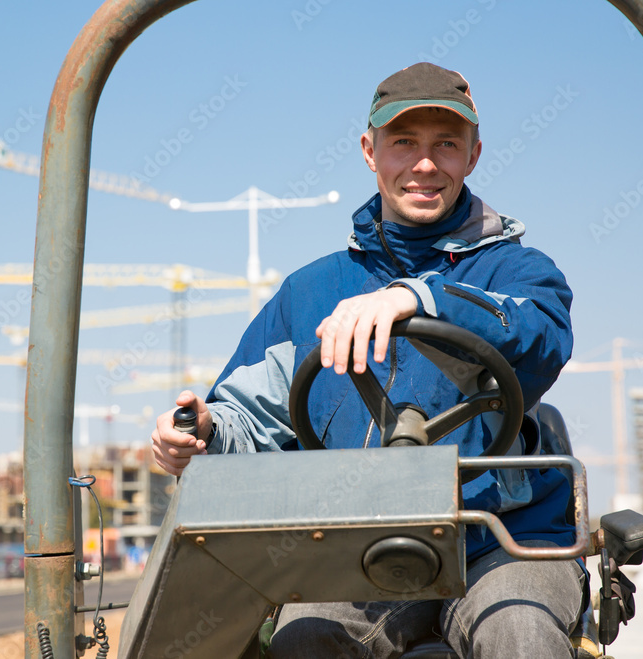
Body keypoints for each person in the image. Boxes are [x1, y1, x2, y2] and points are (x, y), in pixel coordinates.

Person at [151, 63, 583, 658]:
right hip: (359, 546)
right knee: (303, 638)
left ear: (473, 155)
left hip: (500, 541)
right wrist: (203, 433)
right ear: (369, 151)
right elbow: (250, 420)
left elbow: (541, 335)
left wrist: (419, 295)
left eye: (446, 145)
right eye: (404, 143)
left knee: (522, 632)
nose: (425, 164)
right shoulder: (309, 294)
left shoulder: (519, 272)